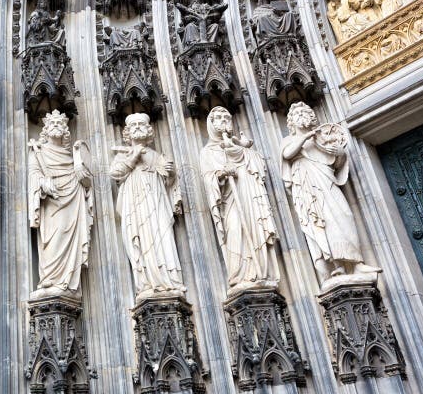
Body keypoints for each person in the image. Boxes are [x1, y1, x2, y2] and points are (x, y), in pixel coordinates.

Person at [281, 102, 380, 288]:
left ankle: (356, 264)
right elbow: (287, 154)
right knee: (323, 224)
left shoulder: (323, 137)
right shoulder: (289, 141)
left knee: (344, 216)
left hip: (327, 181)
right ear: (291, 121)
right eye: (298, 114)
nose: (303, 115)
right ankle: (338, 266)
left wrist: (340, 153)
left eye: (306, 111)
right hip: (309, 189)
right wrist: (304, 138)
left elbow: (336, 163)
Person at [200, 107, 279, 294]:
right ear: (210, 123)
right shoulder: (208, 151)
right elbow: (207, 177)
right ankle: (241, 275)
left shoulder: (242, 147)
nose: (223, 120)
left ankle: (262, 274)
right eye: (217, 117)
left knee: (255, 230)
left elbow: (259, 169)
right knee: (235, 231)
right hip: (229, 201)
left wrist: (244, 150)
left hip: (249, 197)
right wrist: (221, 174)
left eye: (226, 116)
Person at [110, 113, 186, 299]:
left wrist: (170, 173)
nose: (137, 127)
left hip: (156, 200)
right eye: (133, 125)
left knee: (162, 235)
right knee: (140, 239)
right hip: (135, 203)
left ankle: (168, 280)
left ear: (149, 131)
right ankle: (146, 283)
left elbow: (169, 181)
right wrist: (133, 156)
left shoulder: (157, 155)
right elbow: (115, 173)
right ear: (127, 133)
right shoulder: (123, 153)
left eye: (141, 125)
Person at [28, 111, 93, 298]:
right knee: (52, 240)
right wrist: (42, 183)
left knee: (67, 237)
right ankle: (51, 277)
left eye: (60, 123)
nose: (56, 125)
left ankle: (66, 282)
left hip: (72, 201)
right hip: (51, 203)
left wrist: (82, 173)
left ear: (65, 129)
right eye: (52, 123)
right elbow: (33, 173)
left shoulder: (71, 154)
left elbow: (85, 180)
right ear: (46, 129)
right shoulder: (38, 150)